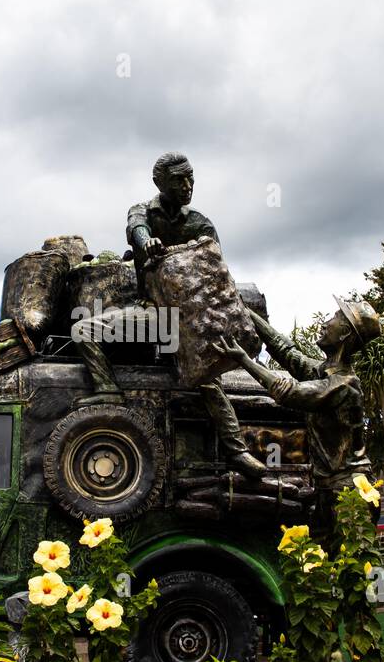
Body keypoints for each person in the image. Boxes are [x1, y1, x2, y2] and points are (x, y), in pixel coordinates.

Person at [70, 152, 266, 477]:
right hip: (152, 314)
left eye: (190, 178)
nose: (187, 185)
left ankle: (238, 453)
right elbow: (137, 228)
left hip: (189, 320)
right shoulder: (143, 211)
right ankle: (108, 390)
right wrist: (147, 243)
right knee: (85, 330)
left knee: (208, 382)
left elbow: (215, 269)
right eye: (178, 180)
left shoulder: (201, 223)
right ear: (159, 183)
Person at [214, 299, 380, 541]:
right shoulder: (324, 372)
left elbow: (287, 392)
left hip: (350, 493)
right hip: (327, 489)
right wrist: (243, 307)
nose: (325, 322)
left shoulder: (344, 385)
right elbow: (285, 351)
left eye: (334, 317)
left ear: (344, 333)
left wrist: (244, 360)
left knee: (350, 565)